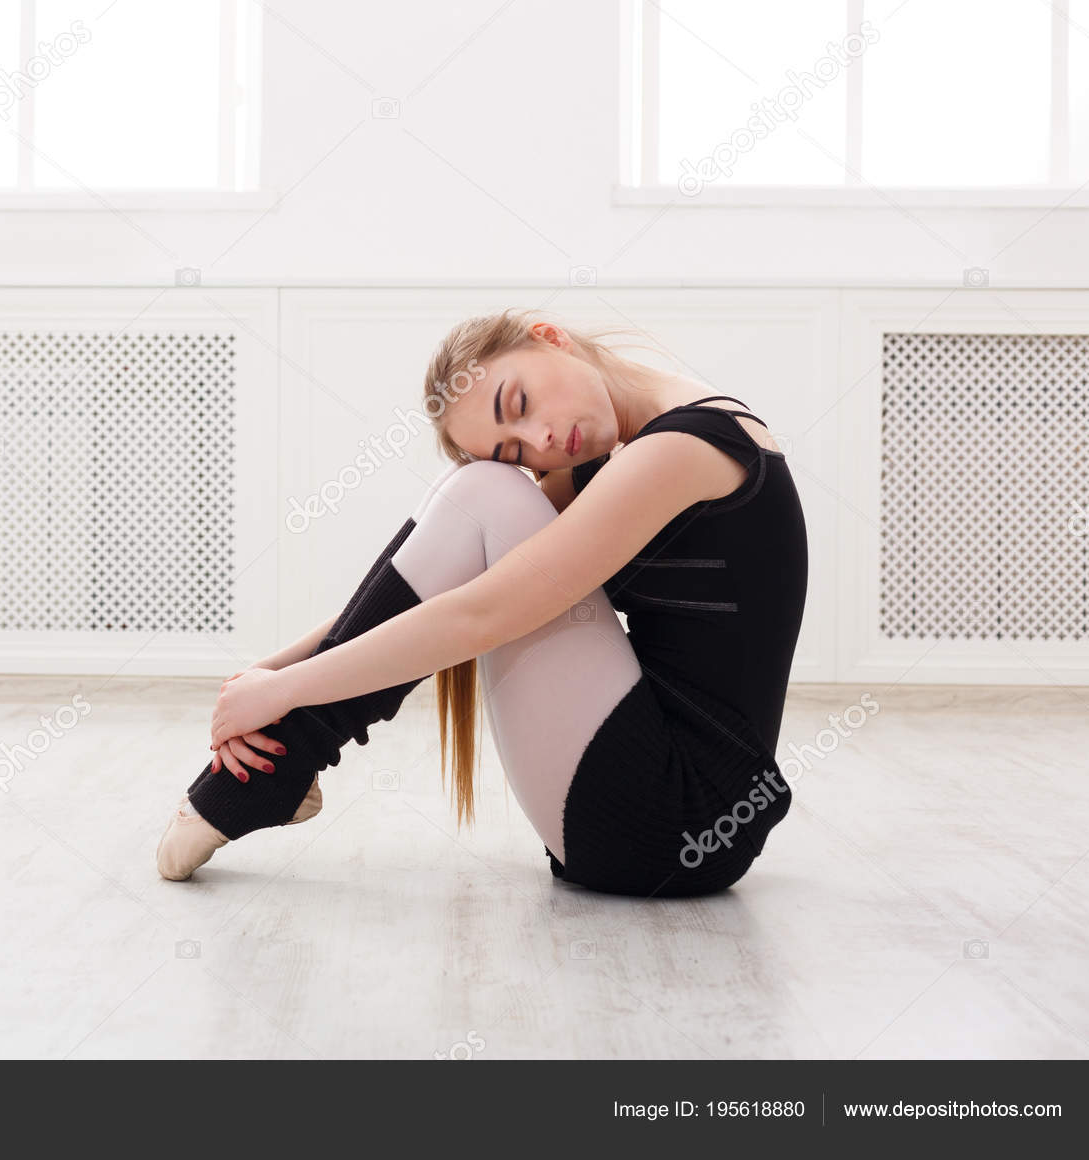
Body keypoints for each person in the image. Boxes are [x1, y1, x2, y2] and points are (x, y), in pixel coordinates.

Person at [156, 307, 807, 898]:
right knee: (480, 487)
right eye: (517, 449)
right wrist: (269, 674)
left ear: (549, 337)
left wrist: (288, 692)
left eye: (518, 401)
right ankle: (281, 767)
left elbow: (483, 613)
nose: (541, 443)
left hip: (676, 823)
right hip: (632, 801)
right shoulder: (620, 452)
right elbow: (428, 589)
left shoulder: (687, 447)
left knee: (486, 492)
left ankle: (270, 775)